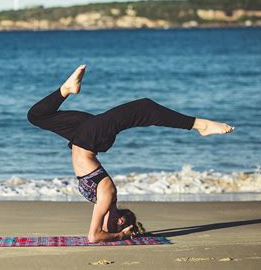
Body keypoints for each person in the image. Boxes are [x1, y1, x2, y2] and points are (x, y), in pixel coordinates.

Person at [27, 65, 234, 243]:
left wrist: (120, 236)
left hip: (83, 136)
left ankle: (66, 89)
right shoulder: (108, 194)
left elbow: (94, 236)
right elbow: (97, 234)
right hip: (90, 139)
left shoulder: (103, 199)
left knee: (36, 116)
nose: (113, 223)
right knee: (144, 107)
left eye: (115, 226)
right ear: (120, 219)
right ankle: (200, 125)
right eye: (119, 223)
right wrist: (125, 233)